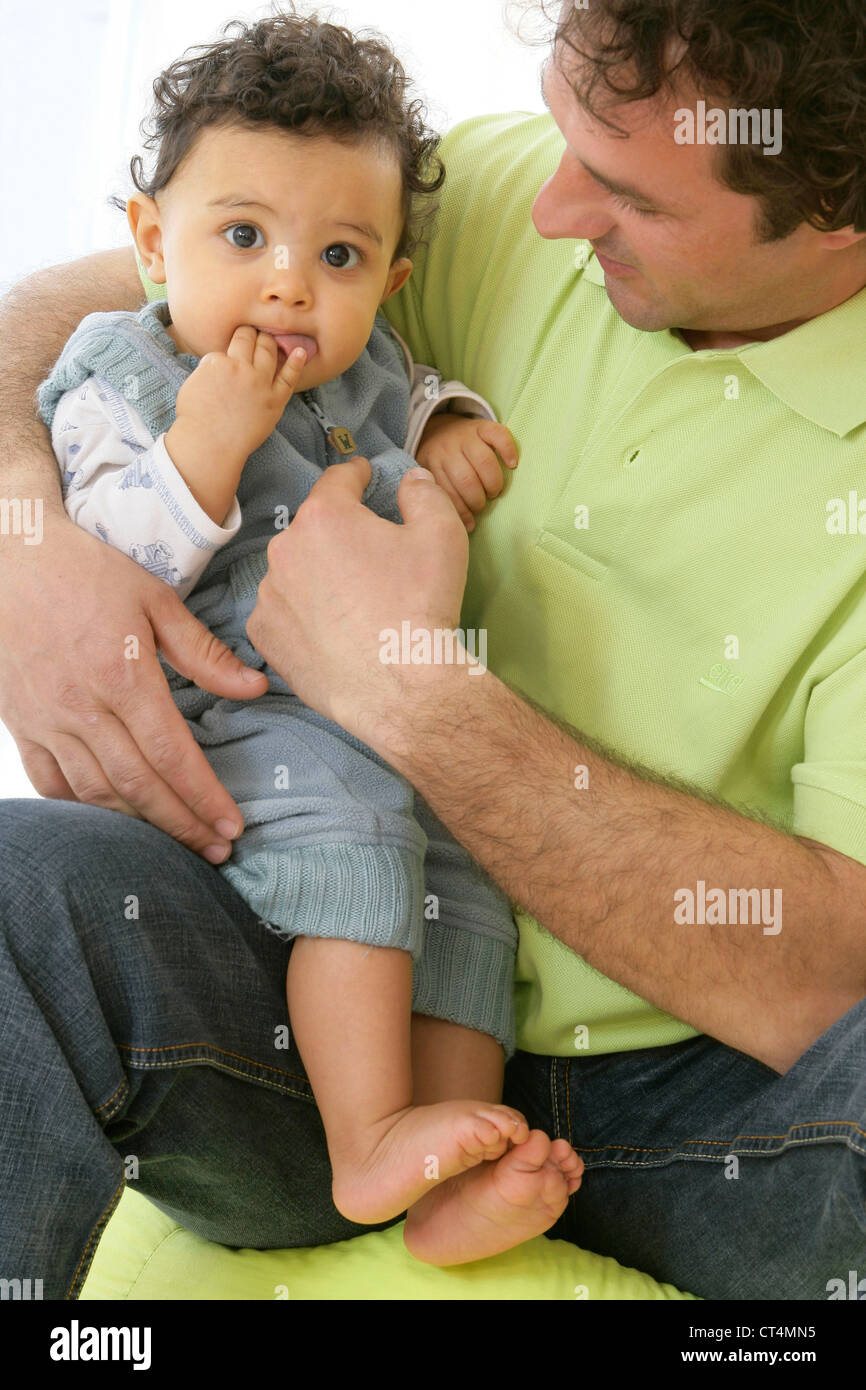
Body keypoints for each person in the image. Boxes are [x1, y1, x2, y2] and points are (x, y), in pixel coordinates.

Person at [1, 0, 864, 1300]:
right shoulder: (518, 187)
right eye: (567, 133)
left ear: (835, 219)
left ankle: (464, 1176)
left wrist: (409, 691)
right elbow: (112, 309)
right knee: (17, 886)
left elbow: (829, 977)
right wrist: (26, 546)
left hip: (702, 1103)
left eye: (626, 194)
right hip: (311, 983)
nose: (553, 210)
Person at [33, 11, 583, 1268]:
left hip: (394, 711)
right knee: (353, 826)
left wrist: (445, 422)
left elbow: (414, 388)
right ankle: (362, 1132)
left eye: (338, 254)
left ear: (388, 280)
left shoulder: (369, 362)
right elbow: (113, 561)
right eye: (242, 237)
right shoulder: (120, 372)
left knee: (465, 873)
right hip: (244, 723)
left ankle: (454, 1155)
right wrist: (206, 445)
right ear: (148, 240)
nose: (290, 280)